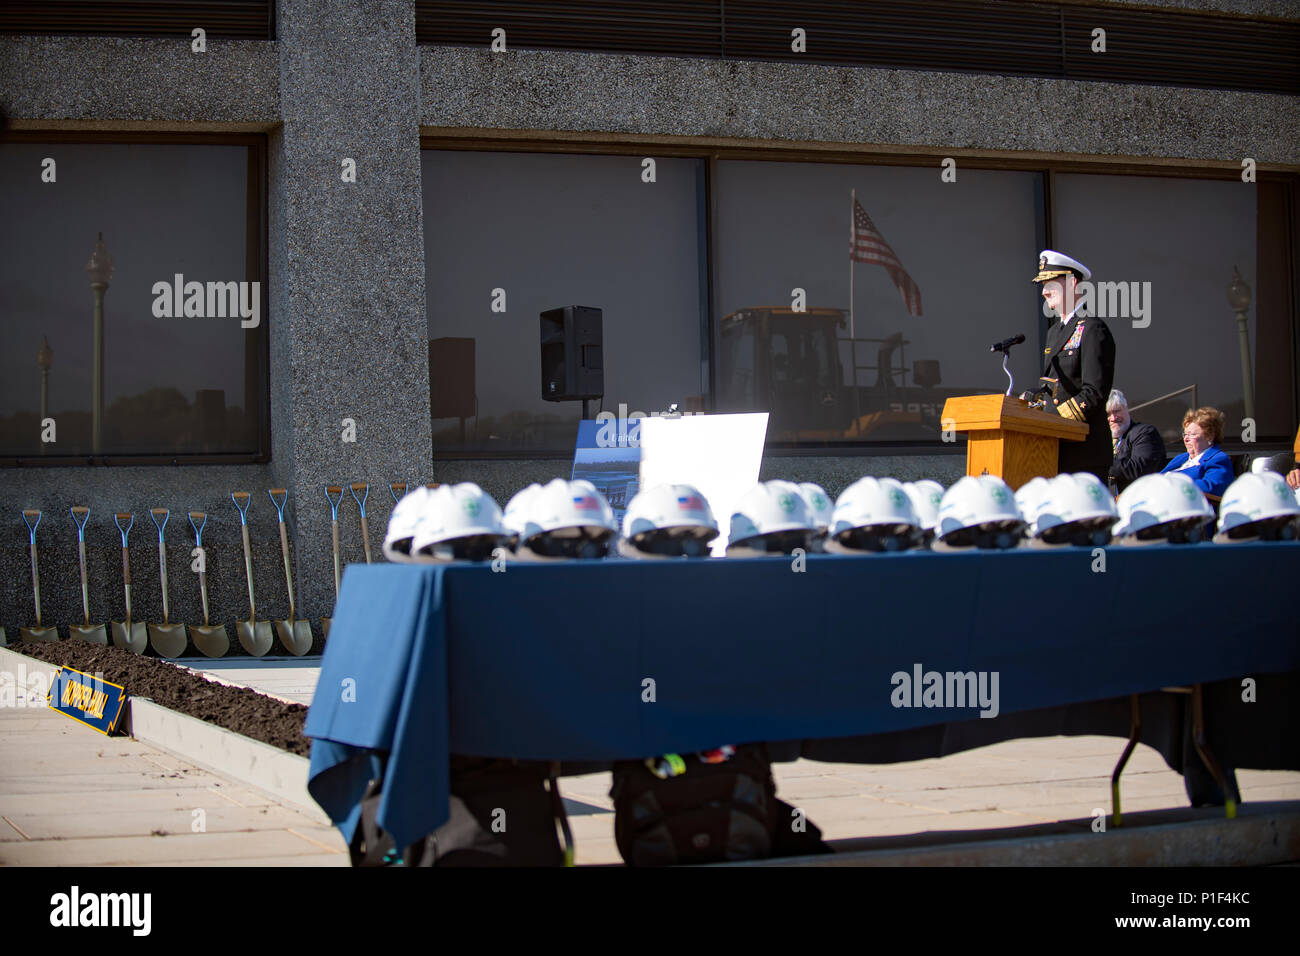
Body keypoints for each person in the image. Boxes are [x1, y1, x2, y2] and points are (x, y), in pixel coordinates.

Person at [1026, 250, 1116, 483]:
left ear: (1071, 282)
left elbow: (1094, 392)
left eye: (1050, 284)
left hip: (1084, 452)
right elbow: (1054, 386)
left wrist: (1055, 418)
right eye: (1042, 284)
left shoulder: (1093, 328)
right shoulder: (1054, 332)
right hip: (1054, 449)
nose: (1044, 291)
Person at [1160, 407, 1234, 498]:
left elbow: (1211, 488)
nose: (1186, 439)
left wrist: (1172, 485)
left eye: (1192, 434)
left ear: (1209, 436)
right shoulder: (1181, 458)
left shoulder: (1218, 459)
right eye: (1185, 434)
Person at [1106, 389, 1165, 494]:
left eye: (1116, 411)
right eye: (1108, 414)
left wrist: (1100, 462)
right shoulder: (1102, 439)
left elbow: (1139, 469)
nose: (1113, 418)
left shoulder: (1144, 432)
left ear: (1126, 408)